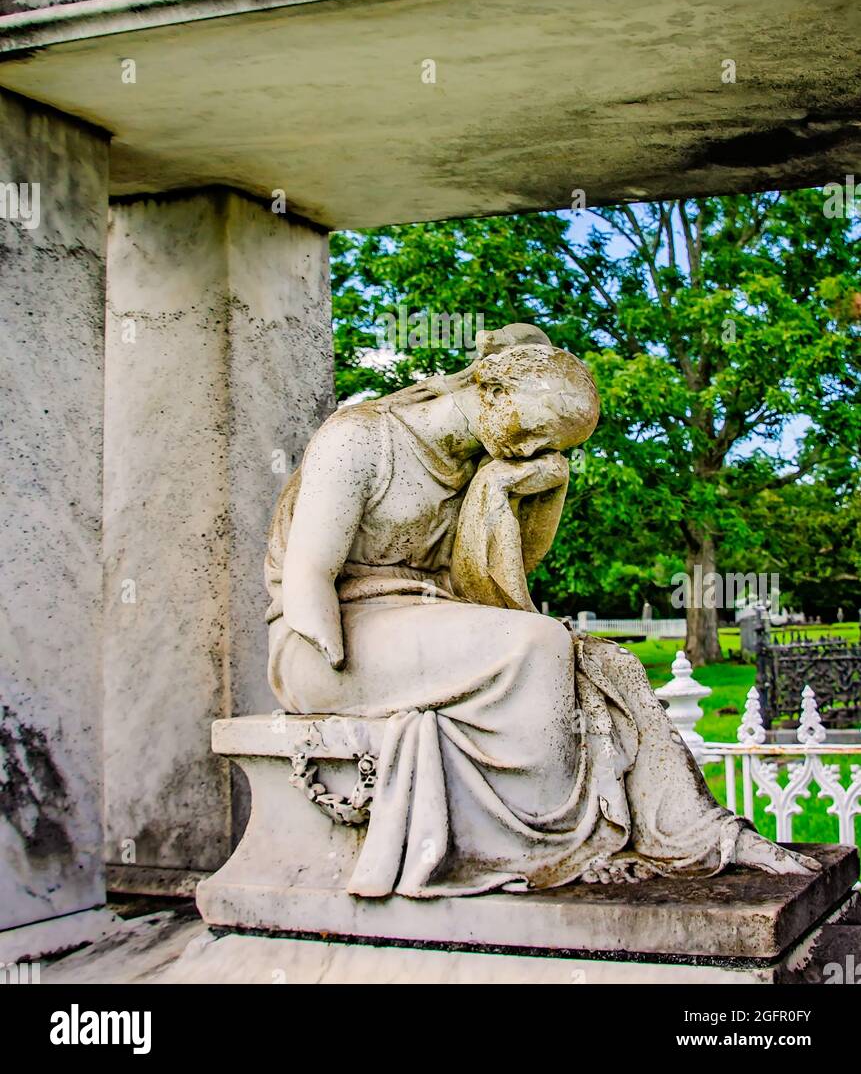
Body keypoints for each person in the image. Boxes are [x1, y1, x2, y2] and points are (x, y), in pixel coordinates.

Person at [265, 324, 818, 898]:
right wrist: (345, 665)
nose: (535, 452)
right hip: (330, 642)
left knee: (612, 664)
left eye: (553, 446)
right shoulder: (360, 438)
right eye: (534, 435)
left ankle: (697, 836)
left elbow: (494, 585)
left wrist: (524, 495)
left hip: (424, 621)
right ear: (496, 393)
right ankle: (554, 846)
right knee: (539, 645)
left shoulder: (479, 469)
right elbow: (309, 583)